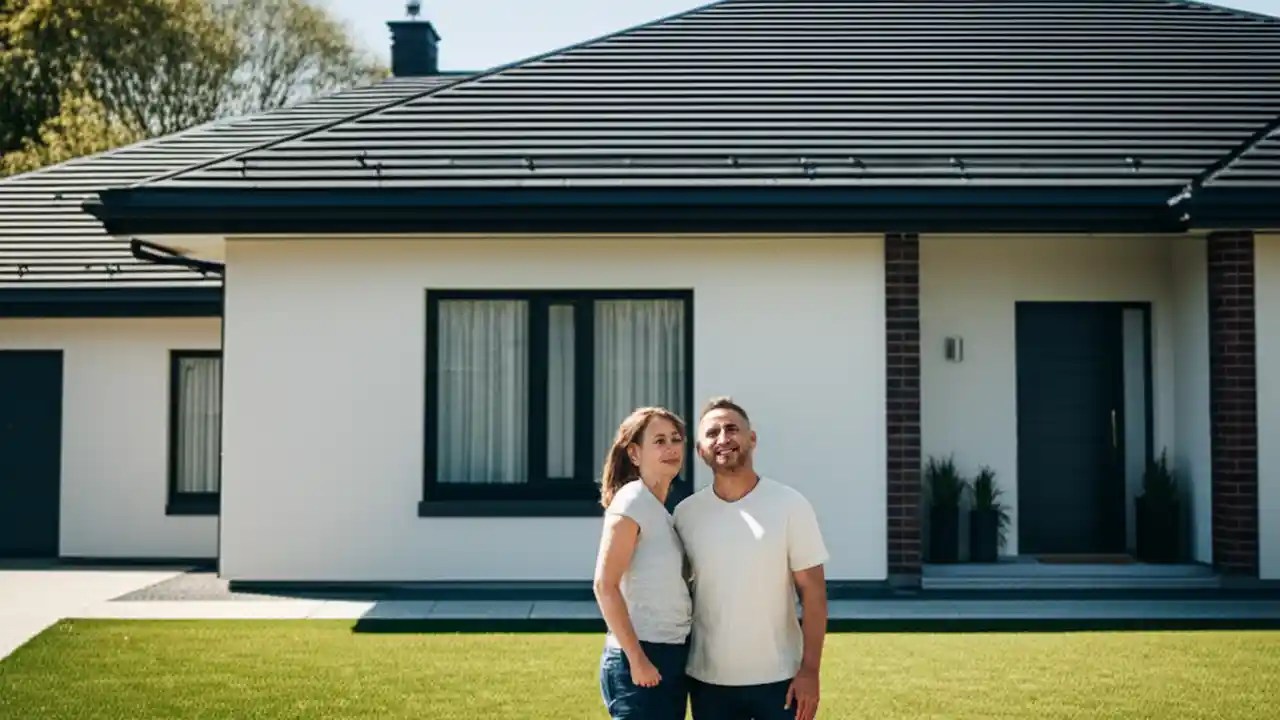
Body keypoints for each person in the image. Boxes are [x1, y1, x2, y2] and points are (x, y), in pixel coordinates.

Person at [673, 397, 829, 720]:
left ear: (752, 439)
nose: (723, 438)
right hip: (707, 681)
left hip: (781, 679)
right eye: (712, 433)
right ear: (700, 451)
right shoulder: (685, 515)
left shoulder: (790, 505)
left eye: (732, 429)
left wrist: (810, 671)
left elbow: (814, 594)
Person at [593, 407, 694, 720]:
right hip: (640, 657)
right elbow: (605, 585)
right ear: (634, 454)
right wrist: (637, 659)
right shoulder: (632, 501)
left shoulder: (661, 511)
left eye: (675, 439)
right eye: (659, 441)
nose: (671, 448)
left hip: (671, 653)